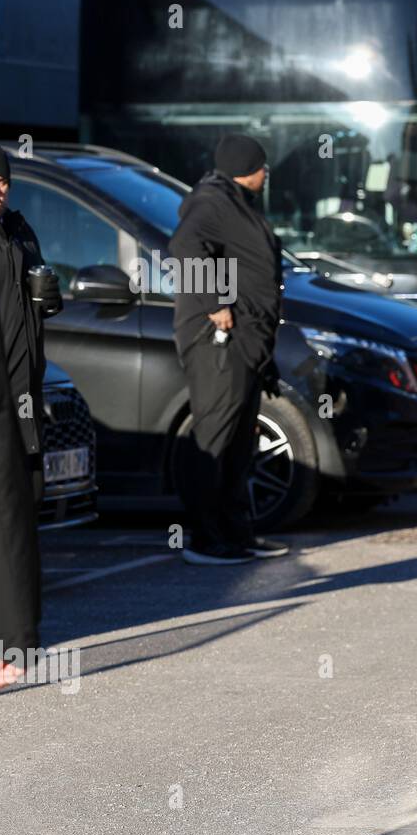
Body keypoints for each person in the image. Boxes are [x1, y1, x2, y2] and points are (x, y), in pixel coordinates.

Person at [169, 134, 289, 565]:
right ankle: (203, 539)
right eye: (263, 166)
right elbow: (184, 247)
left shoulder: (239, 202)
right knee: (215, 438)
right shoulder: (212, 201)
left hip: (249, 343)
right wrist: (214, 302)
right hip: (219, 344)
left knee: (241, 444)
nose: (267, 174)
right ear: (247, 167)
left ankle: (237, 533)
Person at [0, 138, 56, 689]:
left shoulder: (18, 231)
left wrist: (47, 296)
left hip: (23, 397)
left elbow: (32, 304)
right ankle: (5, 645)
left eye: (1, 180)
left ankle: (11, 638)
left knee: (21, 510)